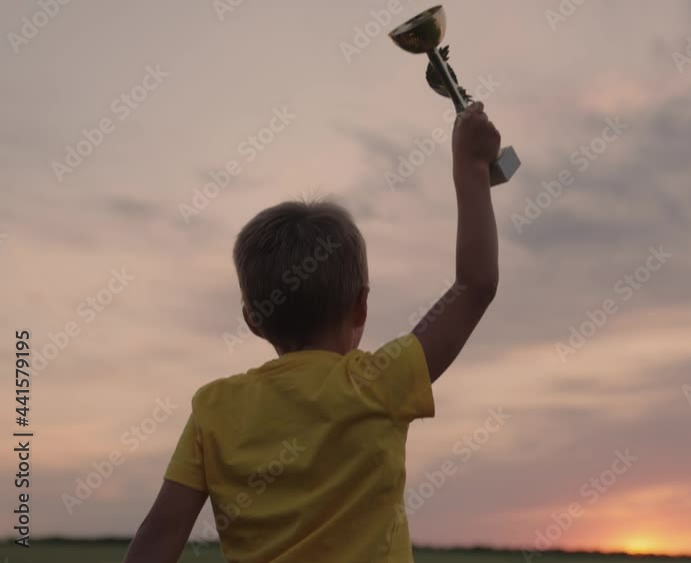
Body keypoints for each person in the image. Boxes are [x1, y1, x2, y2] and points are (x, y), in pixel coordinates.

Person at [123, 102, 502, 563]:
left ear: (252, 319)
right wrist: (473, 165)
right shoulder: (379, 382)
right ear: (361, 304)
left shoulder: (214, 408)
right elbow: (476, 284)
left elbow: (159, 538)